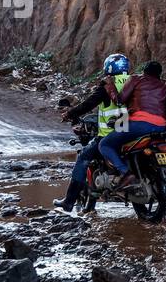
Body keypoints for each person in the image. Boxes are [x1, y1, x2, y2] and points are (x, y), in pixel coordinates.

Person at [53, 53, 130, 214]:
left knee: (83, 158)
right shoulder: (133, 81)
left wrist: (70, 114)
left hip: (110, 134)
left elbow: (88, 104)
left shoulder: (108, 85)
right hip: (131, 132)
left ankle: (69, 201)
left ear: (108, 68)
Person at [99, 60, 166, 190]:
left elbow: (120, 100)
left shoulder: (136, 79)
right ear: (159, 74)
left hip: (138, 125)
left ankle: (126, 173)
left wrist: (110, 86)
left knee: (105, 144)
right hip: (161, 128)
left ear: (144, 71)